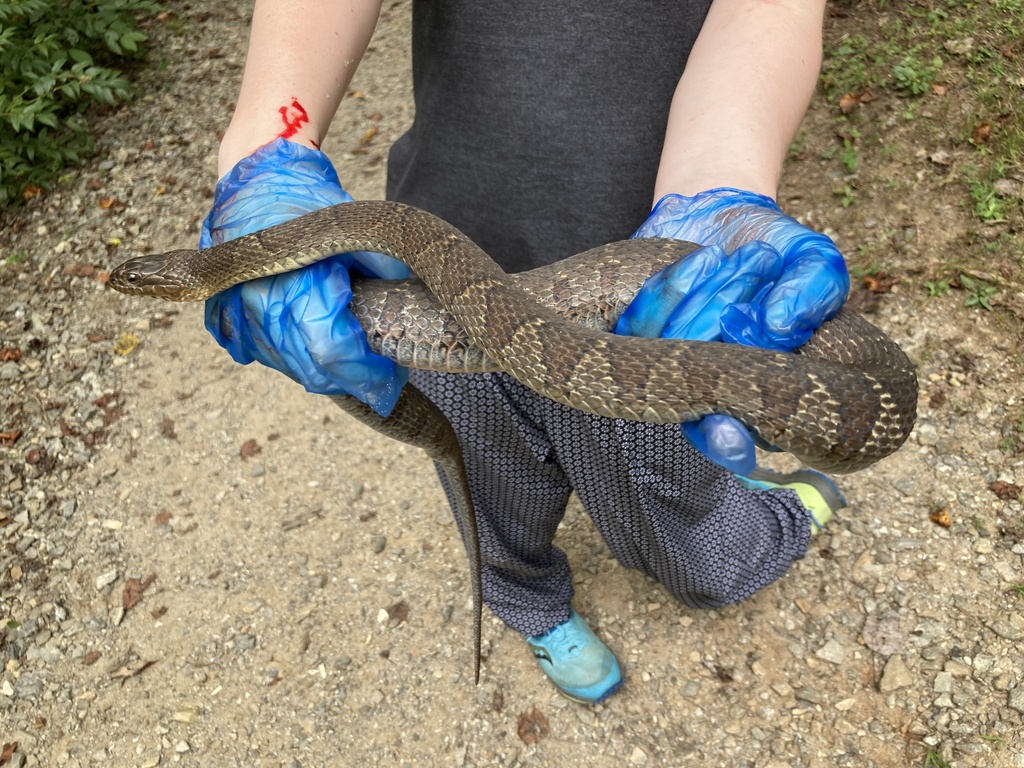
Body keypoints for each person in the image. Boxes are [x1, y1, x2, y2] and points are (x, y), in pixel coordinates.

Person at [201, 0, 849, 705]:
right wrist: (270, 147)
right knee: (488, 482)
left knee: (679, 492)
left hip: (652, 312)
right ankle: (533, 606)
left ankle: (744, 530)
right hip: (434, 276)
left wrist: (721, 186)